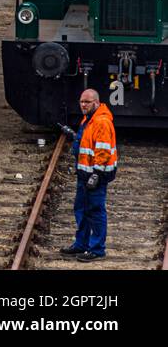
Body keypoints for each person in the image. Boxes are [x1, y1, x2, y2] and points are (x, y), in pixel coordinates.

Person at [60, 89, 118, 261]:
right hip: (85, 174)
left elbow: (103, 150)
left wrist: (97, 174)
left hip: (95, 175)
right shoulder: (89, 119)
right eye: (82, 102)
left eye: (87, 102)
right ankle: (82, 244)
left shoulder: (102, 122)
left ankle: (97, 249)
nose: (83, 105)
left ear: (96, 102)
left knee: (95, 210)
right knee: (82, 209)